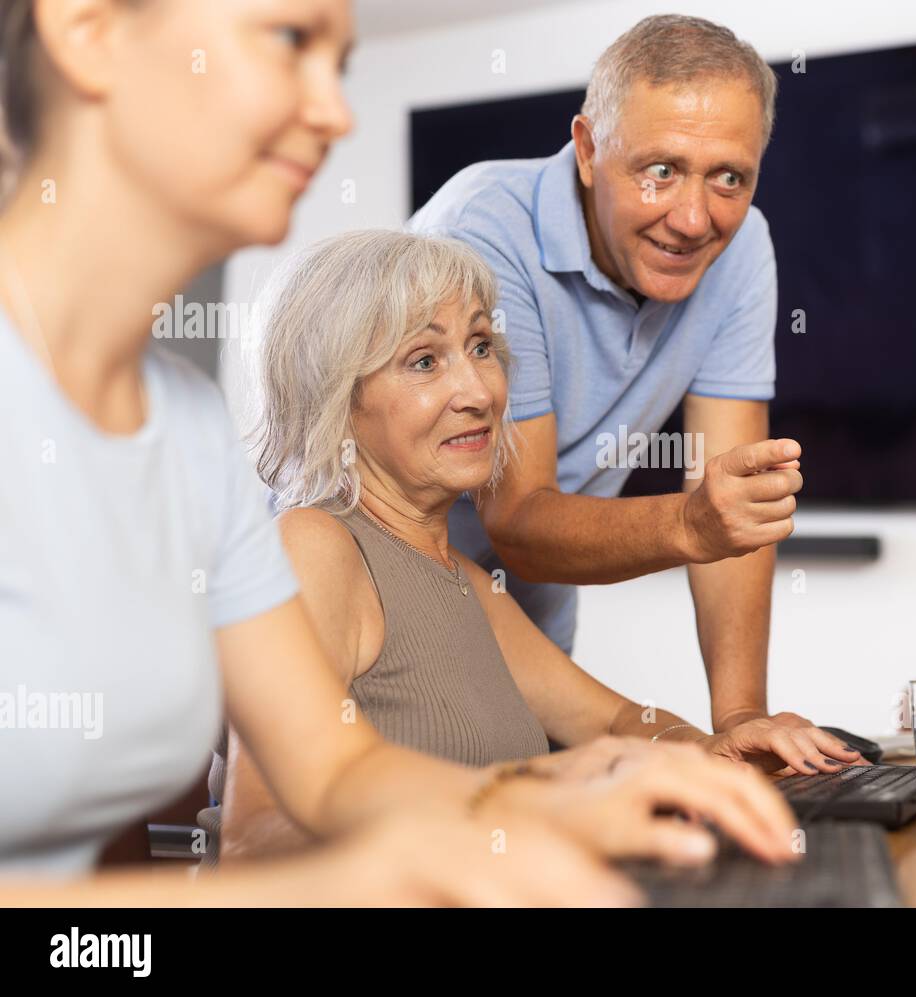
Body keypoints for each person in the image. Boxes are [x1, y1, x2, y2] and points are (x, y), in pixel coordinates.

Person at [0, 0, 794, 906]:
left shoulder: (182, 423)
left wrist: (570, 787)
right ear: (87, 29)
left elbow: (336, 776)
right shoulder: (304, 531)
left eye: (339, 63)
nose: (337, 112)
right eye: (291, 41)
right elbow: (251, 848)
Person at [218, 229, 865, 856]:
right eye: (423, 360)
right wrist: (537, 789)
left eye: (479, 346)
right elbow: (257, 835)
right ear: (333, 395)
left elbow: (614, 723)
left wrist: (710, 749)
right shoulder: (314, 547)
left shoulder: (465, 580)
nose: (478, 391)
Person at [409, 15, 808, 737]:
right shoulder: (481, 235)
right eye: (661, 170)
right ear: (588, 149)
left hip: (528, 628)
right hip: (383, 611)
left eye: (729, 177)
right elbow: (520, 519)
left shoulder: (743, 251)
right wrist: (690, 521)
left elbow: (732, 509)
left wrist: (741, 718)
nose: (694, 219)